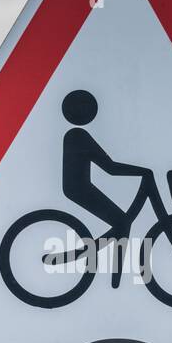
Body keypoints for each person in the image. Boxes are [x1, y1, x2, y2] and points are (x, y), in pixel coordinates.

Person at [61, 89, 157, 236]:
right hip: (79, 190)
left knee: (122, 223)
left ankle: (97, 255)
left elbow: (109, 167)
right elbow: (110, 168)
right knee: (122, 222)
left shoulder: (75, 135)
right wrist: (143, 171)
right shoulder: (78, 136)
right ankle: (109, 259)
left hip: (79, 188)